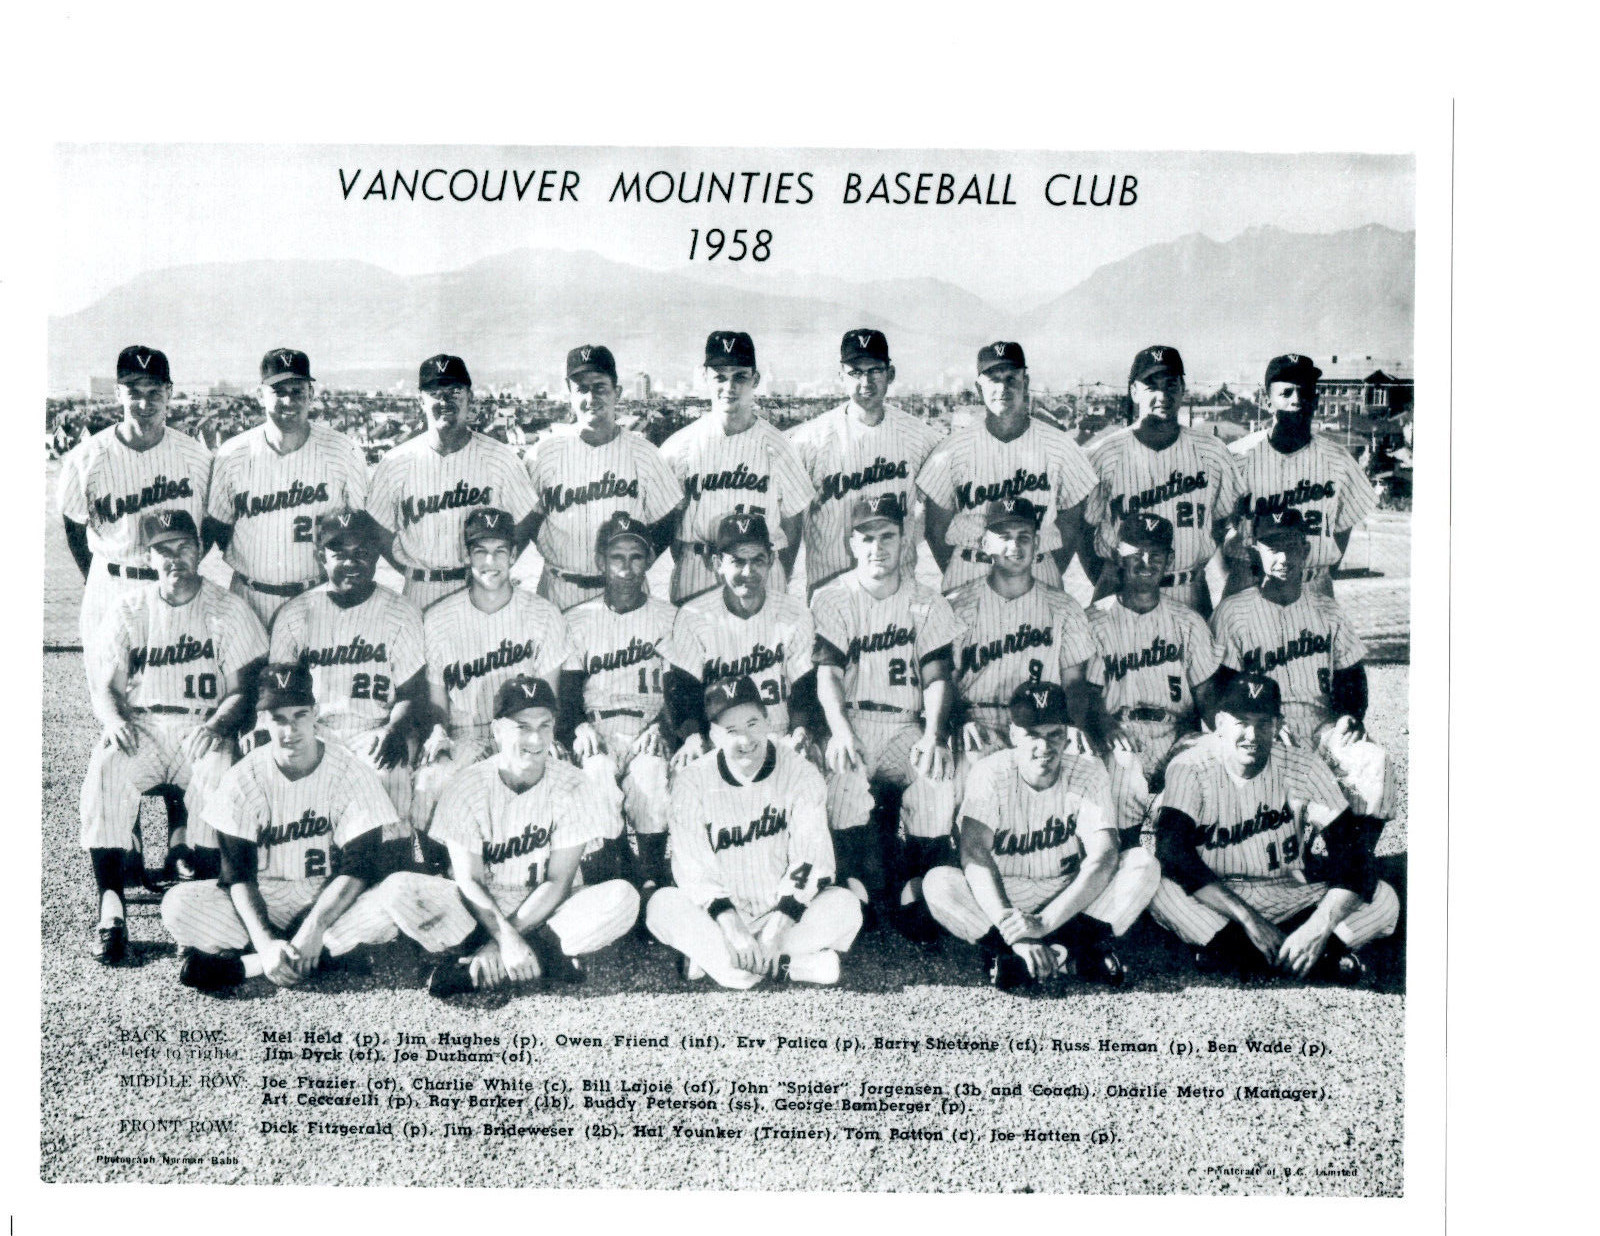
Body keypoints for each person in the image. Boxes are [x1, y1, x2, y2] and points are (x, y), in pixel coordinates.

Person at [79, 510, 267, 964]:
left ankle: (193, 909)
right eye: (163, 549)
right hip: (143, 724)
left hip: (202, 723)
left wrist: (217, 726)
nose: (174, 557)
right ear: (148, 556)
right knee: (106, 768)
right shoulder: (129, 608)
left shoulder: (228, 608)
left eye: (184, 546)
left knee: (218, 771)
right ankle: (112, 907)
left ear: (200, 551)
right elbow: (107, 685)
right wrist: (113, 721)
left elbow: (243, 691)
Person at [378, 676, 640, 996]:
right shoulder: (467, 785)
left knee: (624, 898)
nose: (536, 737)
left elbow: (559, 881)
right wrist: (504, 937)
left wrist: (497, 944)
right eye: (522, 726)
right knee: (395, 891)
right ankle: (543, 959)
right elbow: (469, 880)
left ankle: (477, 965)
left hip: (547, 909)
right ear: (497, 730)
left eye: (545, 725)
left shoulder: (574, 784)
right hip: (481, 908)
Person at [159, 663, 404, 991]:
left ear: (316, 713)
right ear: (263, 720)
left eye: (300, 714)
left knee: (387, 906)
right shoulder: (243, 778)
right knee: (177, 906)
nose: (291, 730)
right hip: (267, 894)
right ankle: (315, 957)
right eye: (278, 718)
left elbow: (358, 868)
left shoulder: (350, 771)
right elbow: (238, 877)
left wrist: (314, 927)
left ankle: (249, 966)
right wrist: (264, 941)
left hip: (327, 895)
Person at [1148, 673, 1399, 982]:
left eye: (1263, 722)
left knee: (1385, 899)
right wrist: (1249, 919)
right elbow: (1173, 854)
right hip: (1218, 895)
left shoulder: (1302, 766)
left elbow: (1353, 856)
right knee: (1160, 888)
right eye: (1242, 723)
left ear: (1279, 724)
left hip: (1288, 890)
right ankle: (1322, 959)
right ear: (1220, 724)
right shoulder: (1190, 766)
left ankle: (1237, 954)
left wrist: (1318, 925)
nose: (1252, 734)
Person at [923, 682, 1162, 990]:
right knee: (938, 883)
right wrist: (1022, 935)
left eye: (1054, 734)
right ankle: (1059, 954)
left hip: (1068, 897)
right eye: (1031, 734)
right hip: (1005, 897)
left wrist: (1046, 922)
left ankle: (1017, 960)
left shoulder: (1087, 770)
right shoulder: (990, 772)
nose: (1044, 746)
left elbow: (1104, 855)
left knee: (1143, 863)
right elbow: (974, 853)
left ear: (1067, 734)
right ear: (1012, 734)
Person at [811, 493, 963, 938]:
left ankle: (921, 888)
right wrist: (839, 732)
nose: (878, 547)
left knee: (934, 777)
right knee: (843, 778)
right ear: (851, 544)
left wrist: (933, 736)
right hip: (855, 719)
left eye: (888, 536)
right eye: (867, 538)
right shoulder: (833, 597)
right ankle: (854, 887)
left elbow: (938, 678)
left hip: (905, 725)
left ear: (905, 539)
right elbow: (829, 676)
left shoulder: (929, 602)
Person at [645, 677, 862, 988]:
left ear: (768, 721)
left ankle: (725, 965)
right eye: (731, 731)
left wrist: (777, 927)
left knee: (845, 906)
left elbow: (811, 858)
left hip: (783, 912)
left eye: (752, 724)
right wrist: (733, 929)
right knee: (661, 907)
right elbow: (694, 868)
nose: (745, 740)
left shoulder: (800, 772)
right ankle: (798, 967)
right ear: (713, 735)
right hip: (721, 917)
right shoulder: (691, 781)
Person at [1209, 509, 1395, 818]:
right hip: (1264, 729)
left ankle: (1352, 857)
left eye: (1291, 545)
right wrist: (1259, 725)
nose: (1283, 555)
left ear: (1305, 550)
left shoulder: (1328, 611)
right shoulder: (1232, 613)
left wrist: (1350, 715)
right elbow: (1219, 688)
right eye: (1272, 546)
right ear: (1256, 549)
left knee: (1374, 762)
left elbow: (1352, 675)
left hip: (1323, 726)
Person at [268, 510, 427, 860]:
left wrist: (395, 728)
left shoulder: (401, 612)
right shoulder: (296, 613)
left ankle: (392, 866)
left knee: (388, 772)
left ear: (376, 556)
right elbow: (279, 692)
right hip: (315, 727)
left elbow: (411, 691)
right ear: (320, 557)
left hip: (375, 727)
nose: (352, 562)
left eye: (363, 552)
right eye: (339, 553)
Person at [412, 508, 574, 839]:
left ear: (514, 554)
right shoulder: (439, 618)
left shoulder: (542, 614)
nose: (490, 561)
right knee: (430, 780)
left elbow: (550, 697)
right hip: (464, 733)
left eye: (500, 551)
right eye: (480, 551)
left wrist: (542, 738)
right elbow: (436, 697)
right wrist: (438, 731)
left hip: (523, 730)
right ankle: (439, 871)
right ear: (467, 555)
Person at [57, 345, 211, 673]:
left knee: (171, 697)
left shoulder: (197, 458)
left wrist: (184, 566)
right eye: (134, 391)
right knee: (111, 702)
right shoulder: (86, 457)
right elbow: (73, 522)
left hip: (172, 584)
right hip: (109, 584)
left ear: (169, 392)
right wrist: (95, 574)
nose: (144, 403)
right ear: (118, 393)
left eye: (154, 391)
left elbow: (211, 525)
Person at [1083, 513, 1223, 846]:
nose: (1146, 562)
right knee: (1121, 769)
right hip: (1121, 734)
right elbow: (1086, 695)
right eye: (1136, 553)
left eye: (1156, 554)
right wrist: (1105, 727)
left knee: (1215, 758)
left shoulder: (1188, 623)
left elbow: (1207, 697)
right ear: (1118, 556)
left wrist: (1222, 737)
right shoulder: (1095, 621)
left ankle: (1188, 862)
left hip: (1174, 735)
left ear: (1169, 560)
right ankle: (1127, 859)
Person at [204, 348, 368, 625]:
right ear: (260, 395)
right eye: (279, 391)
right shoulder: (232, 454)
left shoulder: (343, 451)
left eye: (297, 390)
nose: (288, 400)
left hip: (318, 596)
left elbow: (362, 526)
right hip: (249, 598)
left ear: (311, 394)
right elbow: (219, 526)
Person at [557, 513, 677, 890]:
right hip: (598, 724)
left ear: (649, 560)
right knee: (595, 777)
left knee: (650, 779)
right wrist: (578, 727)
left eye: (636, 557)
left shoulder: (670, 618)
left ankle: (653, 875)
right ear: (600, 562)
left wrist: (663, 727)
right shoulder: (577, 620)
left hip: (649, 722)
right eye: (616, 558)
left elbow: (681, 690)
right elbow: (568, 693)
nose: (627, 568)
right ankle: (612, 873)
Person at [917, 341, 1097, 592]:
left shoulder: (1061, 447)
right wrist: (960, 568)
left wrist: (1048, 566)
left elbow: (1072, 522)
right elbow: (936, 528)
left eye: (1012, 378)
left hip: (1038, 569)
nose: (1003, 387)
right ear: (979, 389)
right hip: (971, 570)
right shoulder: (951, 450)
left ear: (1026, 382)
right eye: (993, 379)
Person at [366, 354, 539, 613]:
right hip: (420, 589)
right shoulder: (395, 462)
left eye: (454, 391)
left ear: (470, 398)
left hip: (479, 587)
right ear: (420, 400)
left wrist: (495, 566)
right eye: (435, 392)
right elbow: (377, 526)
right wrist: (409, 569)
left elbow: (527, 518)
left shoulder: (500, 458)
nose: (445, 400)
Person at [1080, 346, 1242, 618]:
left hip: (1188, 588)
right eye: (1151, 386)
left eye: (1170, 384)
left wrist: (1197, 555)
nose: (1162, 395)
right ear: (1133, 392)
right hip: (1124, 588)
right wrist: (1108, 578)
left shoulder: (1212, 451)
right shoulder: (1104, 454)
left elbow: (1226, 520)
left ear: (1182, 389)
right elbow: (1085, 532)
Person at [523, 345, 684, 611]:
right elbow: (526, 520)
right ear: (569, 391)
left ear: (617, 392)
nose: (591, 397)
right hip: (560, 591)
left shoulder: (644, 454)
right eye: (581, 388)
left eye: (599, 387)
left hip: (625, 594)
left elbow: (667, 520)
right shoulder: (542, 454)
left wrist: (637, 563)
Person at [659, 331, 815, 604]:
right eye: (720, 376)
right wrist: (690, 559)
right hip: (699, 567)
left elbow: (792, 521)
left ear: (755, 379)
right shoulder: (678, 448)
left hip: (760, 571)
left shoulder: (778, 448)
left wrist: (778, 570)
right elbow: (669, 524)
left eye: (740, 376)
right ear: (705, 377)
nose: (729, 386)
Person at [788, 328, 942, 597]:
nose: (865, 381)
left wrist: (911, 537)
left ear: (890, 374)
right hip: (829, 592)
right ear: (840, 377)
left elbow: (942, 510)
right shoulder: (809, 441)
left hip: (897, 593)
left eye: (874, 370)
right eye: (855, 372)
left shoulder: (920, 437)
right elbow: (788, 525)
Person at [948, 497, 1097, 765]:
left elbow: (1074, 683)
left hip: (1043, 724)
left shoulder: (1064, 608)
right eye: (1004, 536)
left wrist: (1073, 725)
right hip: (979, 720)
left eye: (1023, 537)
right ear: (985, 544)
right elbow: (946, 679)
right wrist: (959, 721)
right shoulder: (958, 607)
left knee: (1086, 765)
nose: (1014, 546)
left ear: (1037, 544)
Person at [661, 512, 817, 767]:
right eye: (737, 561)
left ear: (772, 560)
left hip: (779, 735)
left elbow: (804, 688)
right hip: (719, 741)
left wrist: (801, 731)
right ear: (717, 563)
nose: (749, 571)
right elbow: (683, 692)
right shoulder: (693, 617)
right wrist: (692, 737)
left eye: (758, 560)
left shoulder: (795, 613)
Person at [1226, 353, 1378, 599]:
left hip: (1313, 584)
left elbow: (1344, 525)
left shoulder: (1338, 460)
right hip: (1251, 583)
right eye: (1286, 393)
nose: (1296, 401)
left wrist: (1322, 570)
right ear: (1267, 401)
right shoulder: (1238, 456)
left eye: (1304, 392)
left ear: (1316, 400)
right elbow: (1217, 527)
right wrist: (1240, 573)